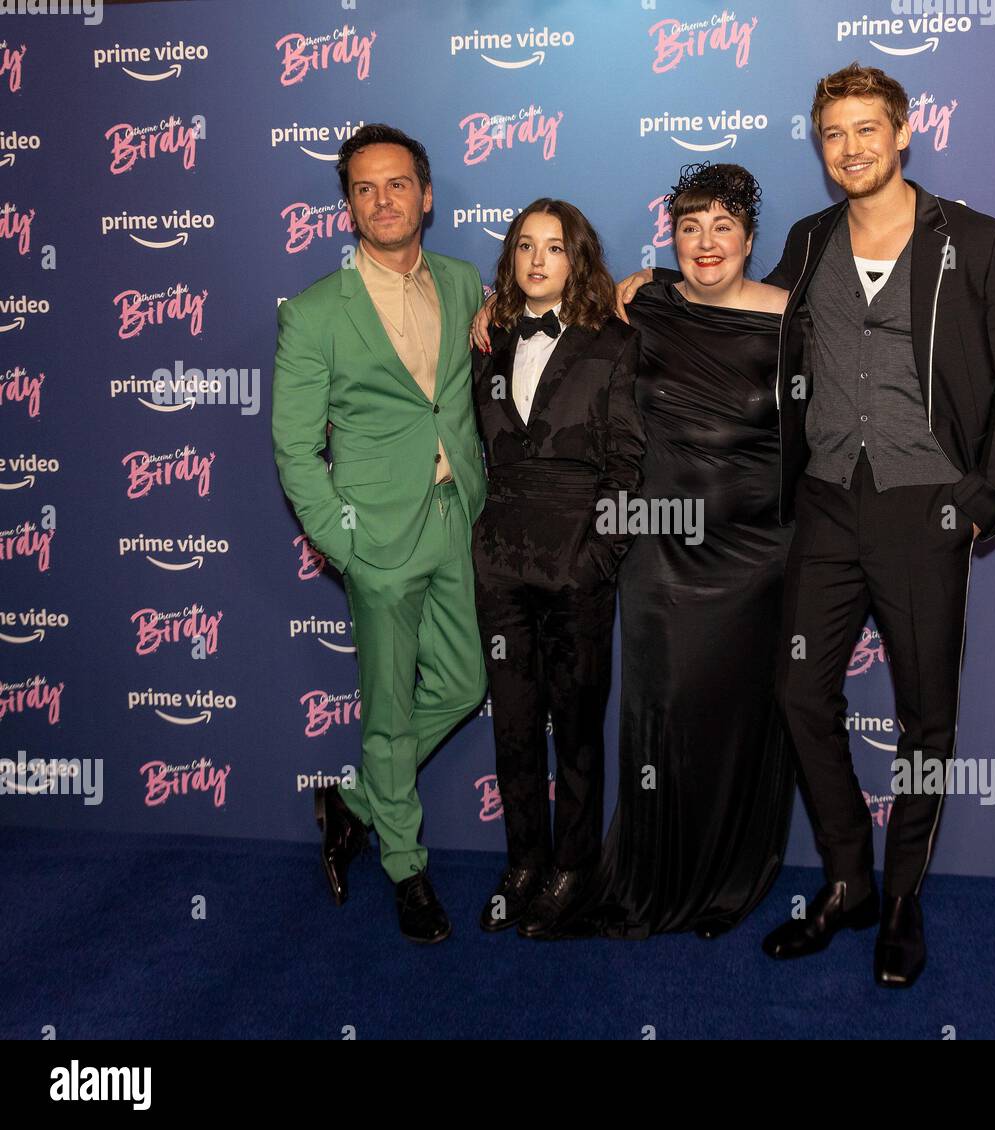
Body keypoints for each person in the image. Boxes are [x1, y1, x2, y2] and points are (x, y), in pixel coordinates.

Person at [621, 64, 995, 986]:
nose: (849, 149)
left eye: (865, 130)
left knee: (927, 720)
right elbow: (734, 309)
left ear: (902, 132)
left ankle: (901, 900)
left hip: (924, 505)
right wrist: (645, 287)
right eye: (832, 135)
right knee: (802, 695)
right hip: (823, 504)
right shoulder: (811, 243)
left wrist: (982, 500)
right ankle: (848, 879)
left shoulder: (970, 240)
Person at [272, 123, 488, 944]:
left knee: (465, 683)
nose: (382, 200)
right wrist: (341, 542)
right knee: (390, 712)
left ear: (426, 195)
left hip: (454, 516)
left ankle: (353, 801)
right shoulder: (316, 312)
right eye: (364, 189)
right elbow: (294, 445)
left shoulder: (466, 282)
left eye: (397, 184)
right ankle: (406, 866)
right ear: (347, 207)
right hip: (375, 537)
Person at [583, 163, 796, 939]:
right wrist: (488, 318)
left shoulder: (792, 319)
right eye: (689, 228)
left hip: (755, 557)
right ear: (671, 237)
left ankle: (730, 880)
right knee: (664, 714)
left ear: (749, 237)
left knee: (738, 721)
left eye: (723, 228)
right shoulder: (643, 300)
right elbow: (557, 326)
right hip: (660, 552)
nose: (706, 244)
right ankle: (653, 874)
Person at [471, 200, 645, 938]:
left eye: (554, 248)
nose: (537, 260)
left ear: (578, 259)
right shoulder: (488, 339)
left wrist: (597, 563)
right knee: (512, 726)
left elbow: (629, 463)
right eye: (524, 247)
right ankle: (522, 863)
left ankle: (574, 868)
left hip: (576, 560)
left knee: (575, 727)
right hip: (500, 562)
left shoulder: (612, 344)